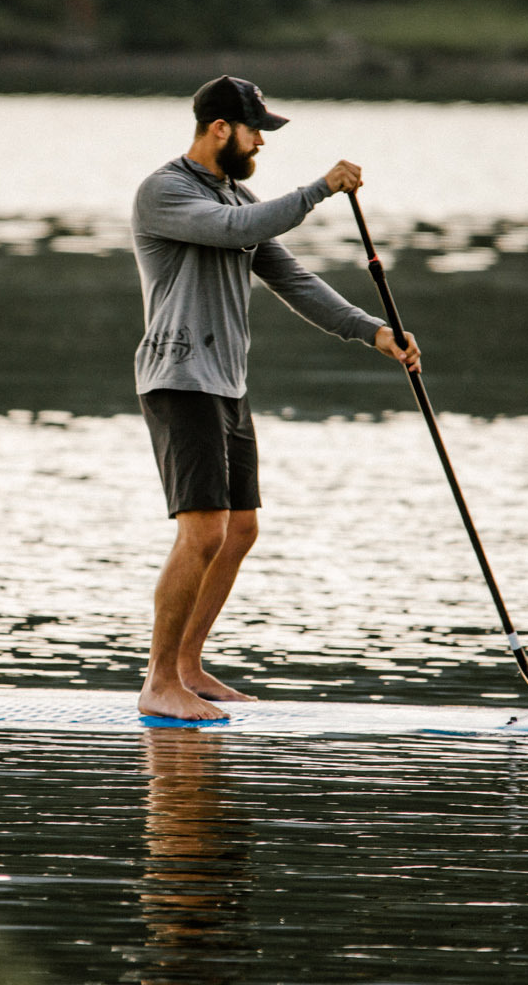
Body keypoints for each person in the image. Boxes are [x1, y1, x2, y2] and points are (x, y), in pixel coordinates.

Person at [131, 76, 421, 720]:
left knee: (240, 531)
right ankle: (157, 681)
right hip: (179, 377)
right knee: (202, 531)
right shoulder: (166, 191)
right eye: (254, 128)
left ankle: (187, 667)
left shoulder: (238, 195)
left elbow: (292, 277)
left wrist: (372, 330)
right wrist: (319, 189)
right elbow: (237, 230)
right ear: (218, 129)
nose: (261, 140)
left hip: (226, 381)